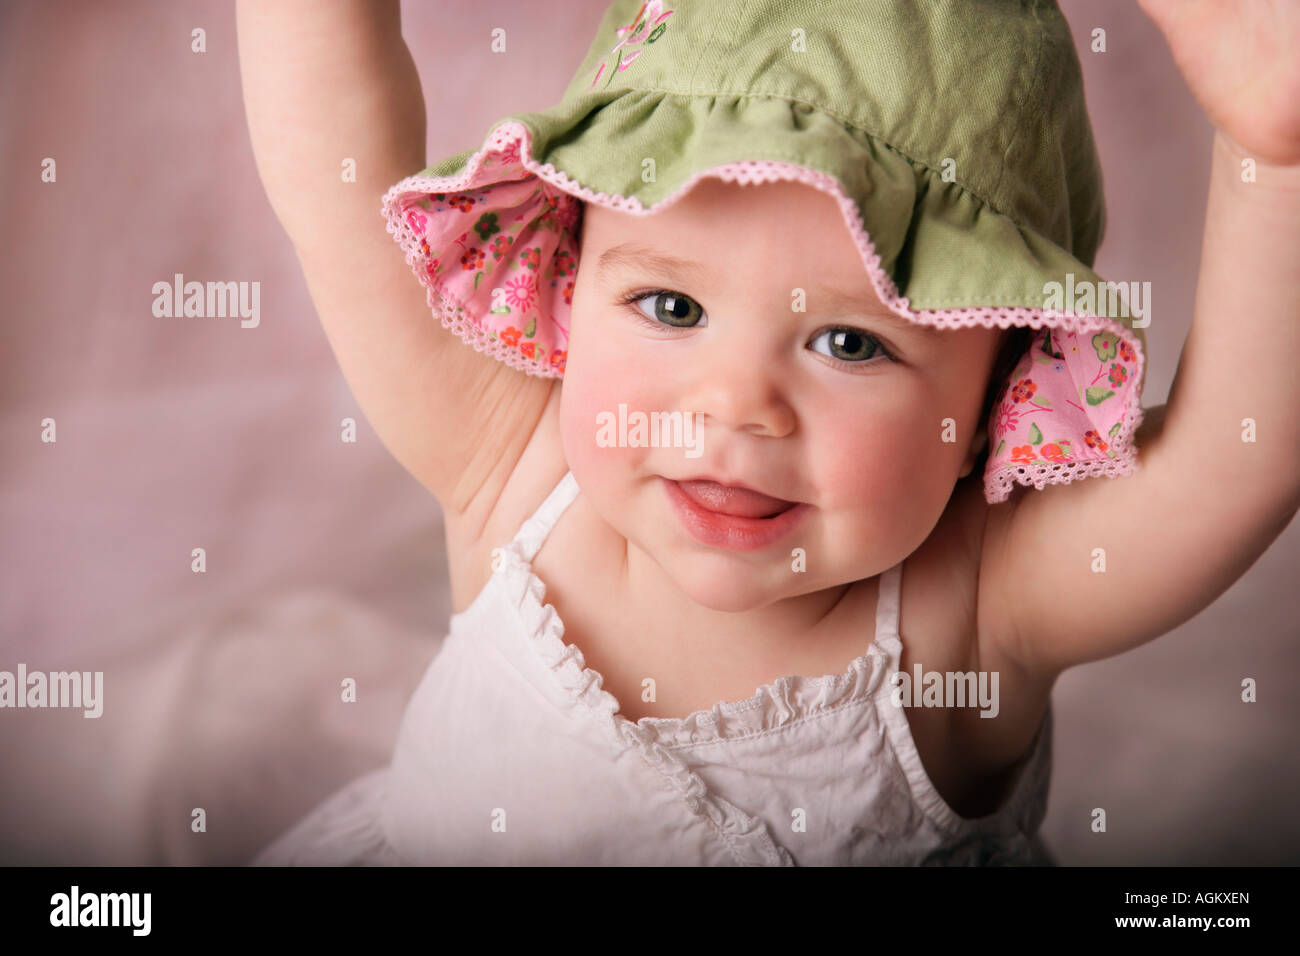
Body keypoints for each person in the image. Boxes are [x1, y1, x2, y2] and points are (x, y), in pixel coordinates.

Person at [237, 0, 1300, 865]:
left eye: (848, 341)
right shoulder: (511, 466)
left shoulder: (974, 613)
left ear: (995, 395)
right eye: (670, 308)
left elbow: (1236, 458)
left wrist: (1274, 145)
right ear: (569, 277)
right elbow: (334, 187)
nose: (736, 406)